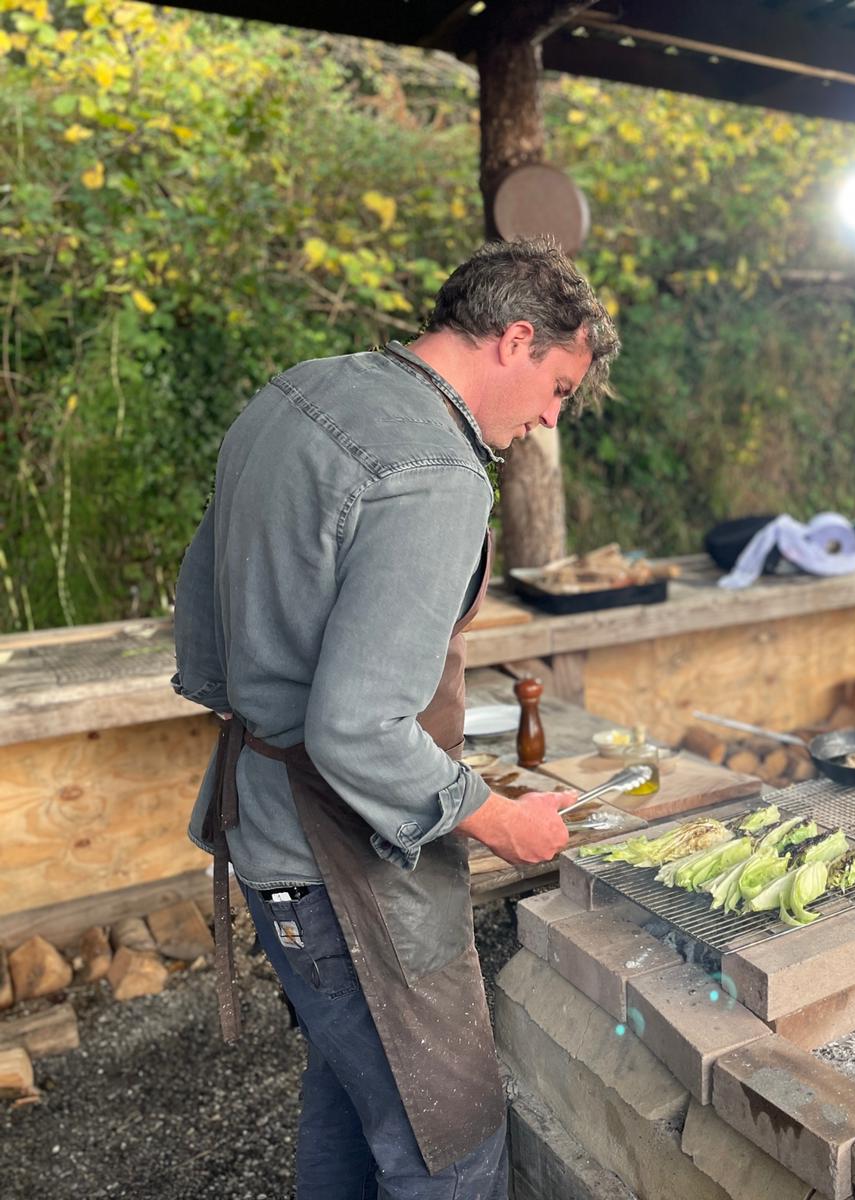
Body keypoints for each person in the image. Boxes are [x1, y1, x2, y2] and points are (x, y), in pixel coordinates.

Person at [171, 236, 620, 1198]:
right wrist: (499, 818)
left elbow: (201, 622)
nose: (547, 421)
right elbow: (360, 731)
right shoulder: (436, 472)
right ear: (514, 340)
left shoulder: (298, 392)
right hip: (338, 866)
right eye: (557, 388)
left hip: (257, 821)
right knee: (448, 1136)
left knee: (351, 1093)